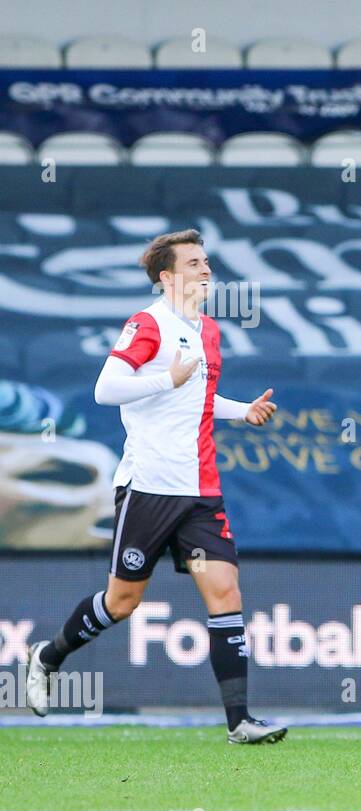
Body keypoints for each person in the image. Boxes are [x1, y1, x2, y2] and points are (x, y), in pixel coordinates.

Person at [25, 229, 285, 744]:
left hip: (201, 491)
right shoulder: (147, 324)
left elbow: (198, 398)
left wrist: (242, 411)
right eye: (193, 263)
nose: (205, 269)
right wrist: (166, 378)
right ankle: (49, 655)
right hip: (148, 487)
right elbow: (106, 389)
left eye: (206, 261)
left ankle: (239, 722)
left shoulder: (209, 330)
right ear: (166, 277)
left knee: (225, 592)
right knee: (122, 603)